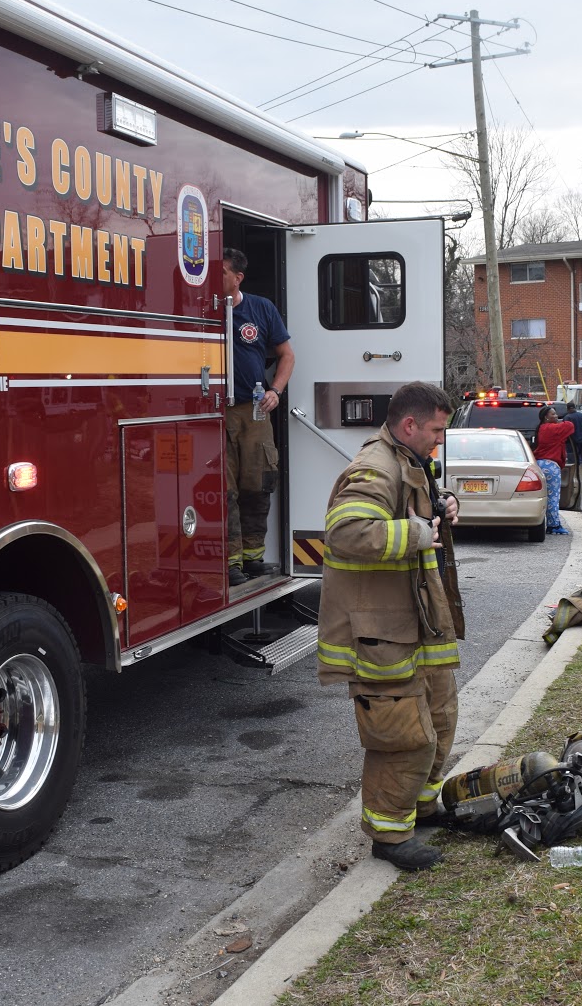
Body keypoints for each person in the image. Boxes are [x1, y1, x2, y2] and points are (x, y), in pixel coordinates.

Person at [316, 382, 462, 870]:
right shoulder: (375, 466)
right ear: (409, 425)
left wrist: (441, 510)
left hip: (415, 621)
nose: (439, 441)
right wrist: (418, 532)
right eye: (436, 431)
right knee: (403, 733)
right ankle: (389, 835)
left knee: (439, 718)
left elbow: (412, 518)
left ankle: (422, 807)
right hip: (380, 632)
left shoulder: (410, 460)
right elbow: (346, 531)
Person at [223, 248, 295, 587]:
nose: (215, 278)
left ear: (238, 278)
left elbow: (287, 355)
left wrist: (275, 392)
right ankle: (230, 561)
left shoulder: (261, 309)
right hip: (217, 412)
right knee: (225, 490)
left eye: (222, 272)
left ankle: (253, 558)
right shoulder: (202, 306)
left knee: (258, 485)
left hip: (253, 410)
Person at [533, 406, 575, 535]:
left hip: (540, 463)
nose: (556, 416)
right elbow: (569, 425)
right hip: (551, 467)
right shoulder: (551, 428)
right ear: (546, 417)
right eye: (553, 414)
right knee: (553, 497)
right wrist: (562, 420)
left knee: (544, 496)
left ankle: (548, 522)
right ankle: (553, 525)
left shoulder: (541, 429)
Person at [565, 401, 582, 469]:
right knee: (579, 454)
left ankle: (576, 470)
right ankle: (579, 468)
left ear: (567, 409)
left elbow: (565, 431)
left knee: (572, 456)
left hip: (571, 441)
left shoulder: (567, 417)